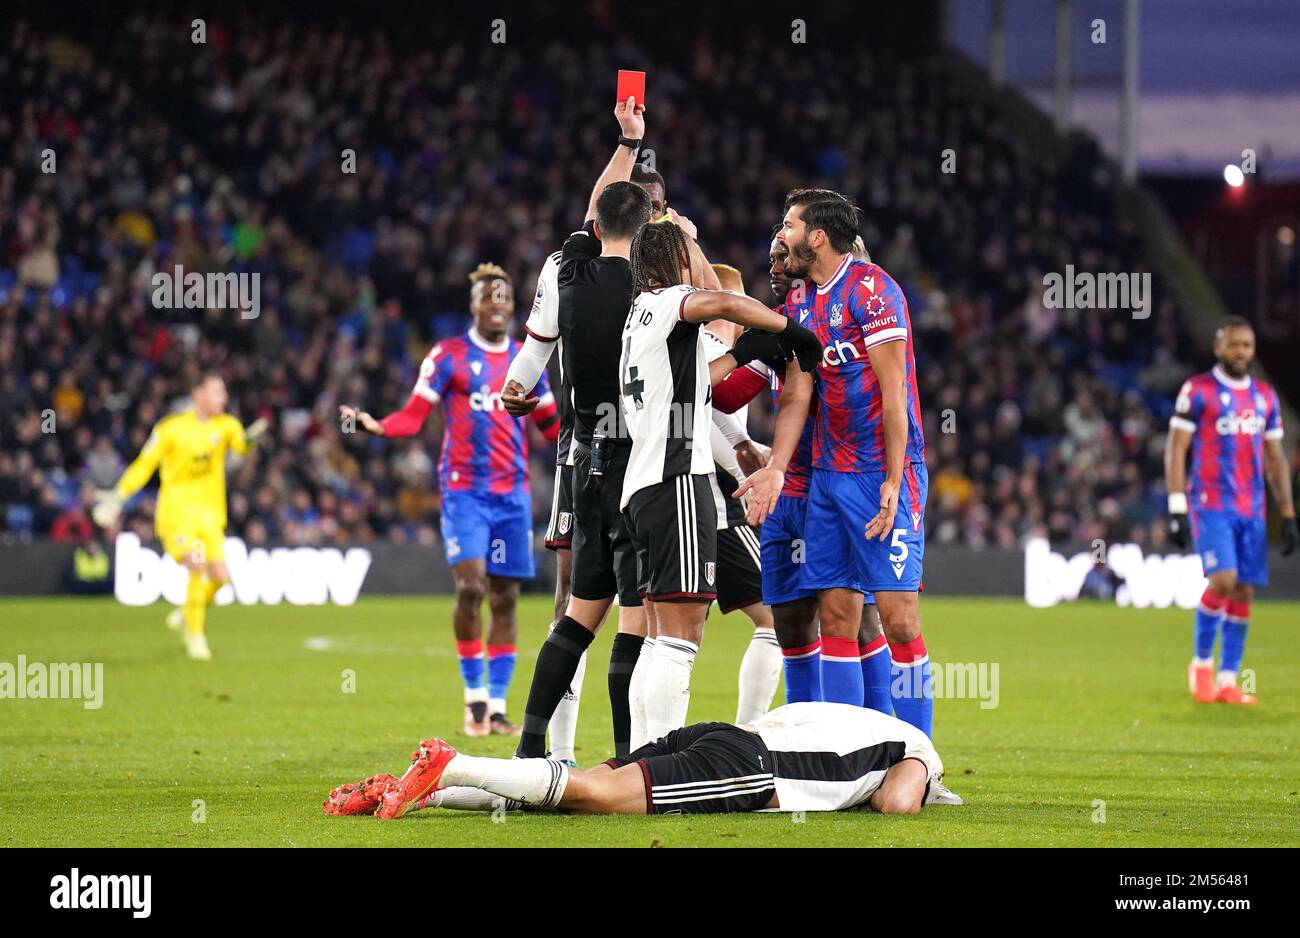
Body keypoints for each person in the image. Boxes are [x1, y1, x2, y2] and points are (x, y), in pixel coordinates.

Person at [619, 217, 821, 741]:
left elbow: (693, 385)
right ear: (677, 261)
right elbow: (726, 302)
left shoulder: (637, 318)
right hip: (678, 481)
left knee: (661, 636)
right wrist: (787, 329)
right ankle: (660, 771)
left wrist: (741, 354)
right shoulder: (669, 301)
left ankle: (643, 755)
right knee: (682, 638)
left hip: (640, 489)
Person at [338, 264, 559, 735]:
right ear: (473, 305)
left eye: (503, 298)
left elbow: (551, 428)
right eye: (487, 298)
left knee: (504, 599)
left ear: (512, 306)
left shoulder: (528, 360)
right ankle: (473, 698)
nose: (496, 305)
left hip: (512, 496)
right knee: (471, 588)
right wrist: (378, 424)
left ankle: (497, 708)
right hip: (464, 493)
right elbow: (414, 416)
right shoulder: (448, 356)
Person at [501, 160, 667, 764]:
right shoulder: (659, 298)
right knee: (636, 620)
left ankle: (530, 746)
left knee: (575, 614)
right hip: (642, 466)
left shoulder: (567, 277)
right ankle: (628, 759)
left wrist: (625, 142)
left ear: (595, 226)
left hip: (584, 463)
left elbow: (534, 348)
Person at [772, 189, 933, 734]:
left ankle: (920, 761)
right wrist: (777, 466)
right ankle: (847, 759)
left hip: (883, 475)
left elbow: (895, 394)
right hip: (826, 478)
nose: (782, 235)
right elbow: (798, 393)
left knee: (899, 621)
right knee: (838, 617)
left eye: (789, 225)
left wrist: (892, 481)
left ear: (817, 235)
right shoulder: (800, 302)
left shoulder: (874, 289)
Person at [711, 233, 892, 713]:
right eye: (770, 255)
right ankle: (806, 749)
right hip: (786, 496)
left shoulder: (853, 338)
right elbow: (726, 396)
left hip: (838, 489)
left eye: (782, 257)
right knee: (790, 623)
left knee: (859, 621)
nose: (773, 265)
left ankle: (886, 746)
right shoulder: (780, 336)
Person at [324, 701, 961, 819]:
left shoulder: (867, 721)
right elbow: (896, 802)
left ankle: (425, 791)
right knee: (596, 799)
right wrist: (927, 777)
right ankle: (453, 765)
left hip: (718, 733)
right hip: (748, 768)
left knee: (587, 783)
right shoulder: (917, 748)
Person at [1164, 316, 1297, 705]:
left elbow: (1275, 459)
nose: (1241, 352)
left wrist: (1287, 514)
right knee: (1223, 578)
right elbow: (1176, 448)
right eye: (1234, 345)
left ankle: (1228, 679)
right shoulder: (1198, 390)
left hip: (1251, 507)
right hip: (1210, 502)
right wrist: (1176, 506)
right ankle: (1201, 665)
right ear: (1218, 348)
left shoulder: (1265, 398)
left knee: (1243, 589)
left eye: (1247, 346)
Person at [91, 374, 268, 660]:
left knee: (221, 579)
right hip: (178, 514)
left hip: (211, 514)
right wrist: (120, 496)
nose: (223, 399)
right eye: (216, 393)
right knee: (197, 565)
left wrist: (252, 441)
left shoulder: (226, 426)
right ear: (198, 395)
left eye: (223, 393)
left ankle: (188, 613)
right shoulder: (171, 429)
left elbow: (241, 445)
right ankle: (196, 637)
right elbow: (144, 463)